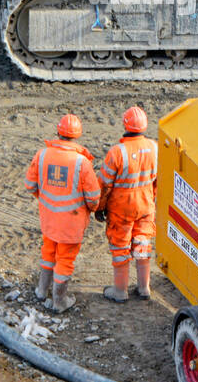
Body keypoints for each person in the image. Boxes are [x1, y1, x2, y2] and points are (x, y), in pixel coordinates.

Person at [24, 113, 101, 312]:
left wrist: (47, 201)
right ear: (77, 135)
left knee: (48, 251)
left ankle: (41, 290)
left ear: (58, 132)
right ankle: (59, 301)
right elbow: (93, 197)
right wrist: (90, 210)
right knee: (65, 259)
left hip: (49, 218)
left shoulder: (42, 155)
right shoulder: (81, 163)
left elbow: (30, 185)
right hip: (71, 223)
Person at [96, 106, 159, 302]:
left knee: (120, 248)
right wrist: (151, 198)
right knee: (143, 244)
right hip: (146, 204)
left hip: (122, 208)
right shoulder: (155, 148)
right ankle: (144, 288)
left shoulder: (117, 152)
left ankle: (120, 291)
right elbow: (157, 180)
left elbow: (104, 185)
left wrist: (99, 207)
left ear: (125, 124)